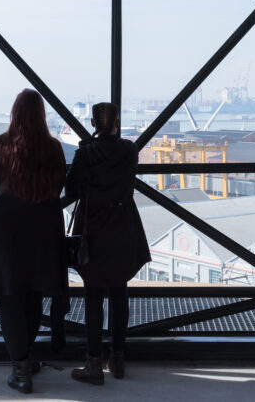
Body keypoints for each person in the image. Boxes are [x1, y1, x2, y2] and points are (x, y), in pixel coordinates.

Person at [0, 89, 68, 395]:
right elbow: (58, 185)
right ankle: (26, 358)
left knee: (11, 299)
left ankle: (20, 368)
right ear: (42, 115)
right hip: (42, 233)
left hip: (5, 235)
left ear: (14, 114)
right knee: (33, 297)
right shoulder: (53, 149)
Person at [65, 102, 151, 385]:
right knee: (119, 292)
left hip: (93, 231)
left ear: (92, 123)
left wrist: (87, 146)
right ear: (117, 123)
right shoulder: (129, 150)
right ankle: (118, 358)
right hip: (124, 228)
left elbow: (72, 189)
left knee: (93, 297)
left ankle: (93, 363)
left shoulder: (85, 153)